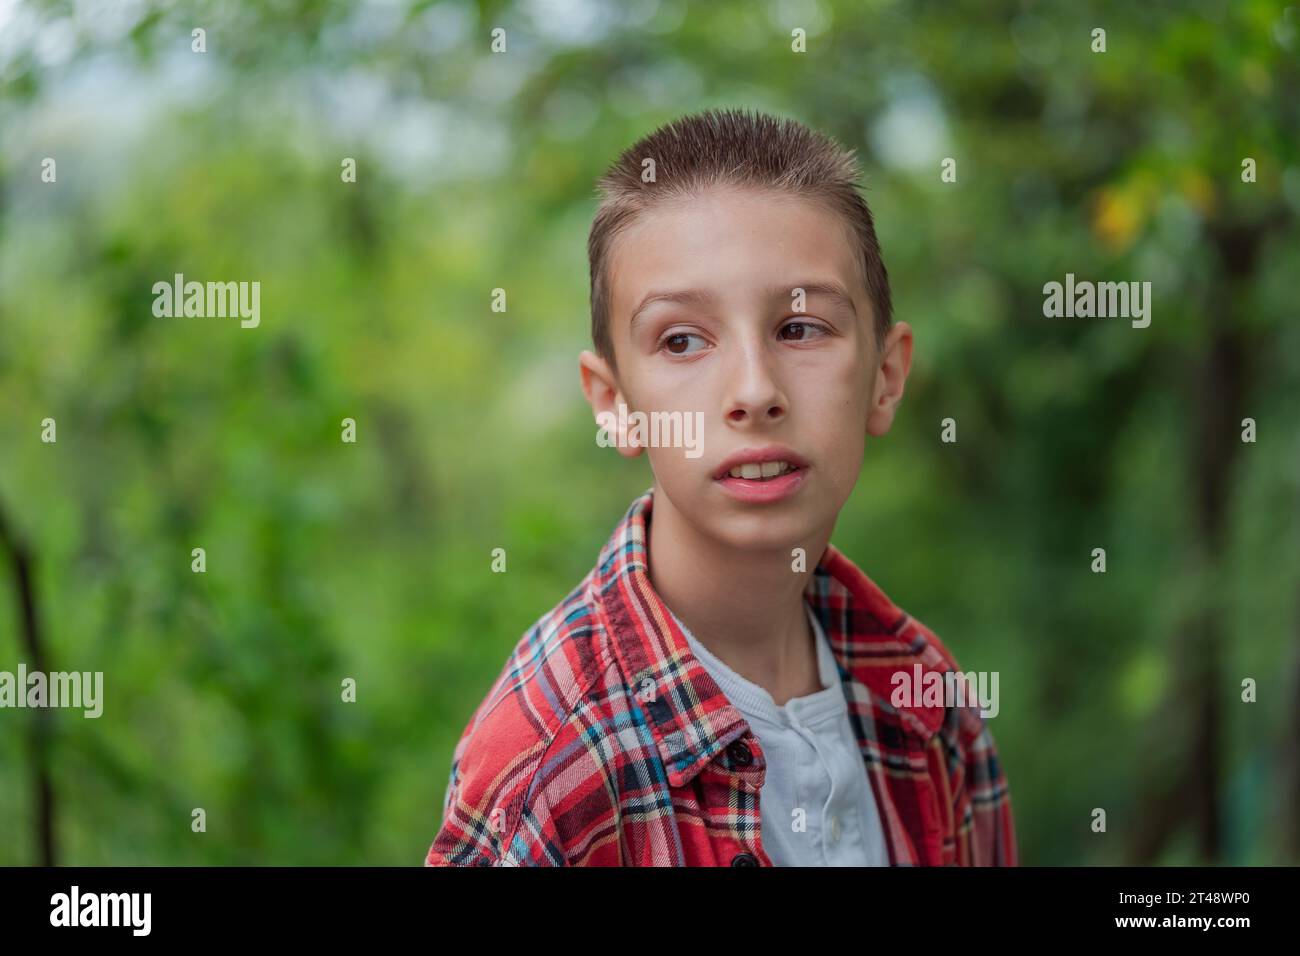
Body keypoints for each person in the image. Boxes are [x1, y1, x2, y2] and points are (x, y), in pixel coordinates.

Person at [426, 108, 1016, 866]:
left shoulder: (928, 699)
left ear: (886, 377)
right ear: (615, 407)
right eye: (682, 340)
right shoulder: (550, 774)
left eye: (801, 329)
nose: (753, 390)